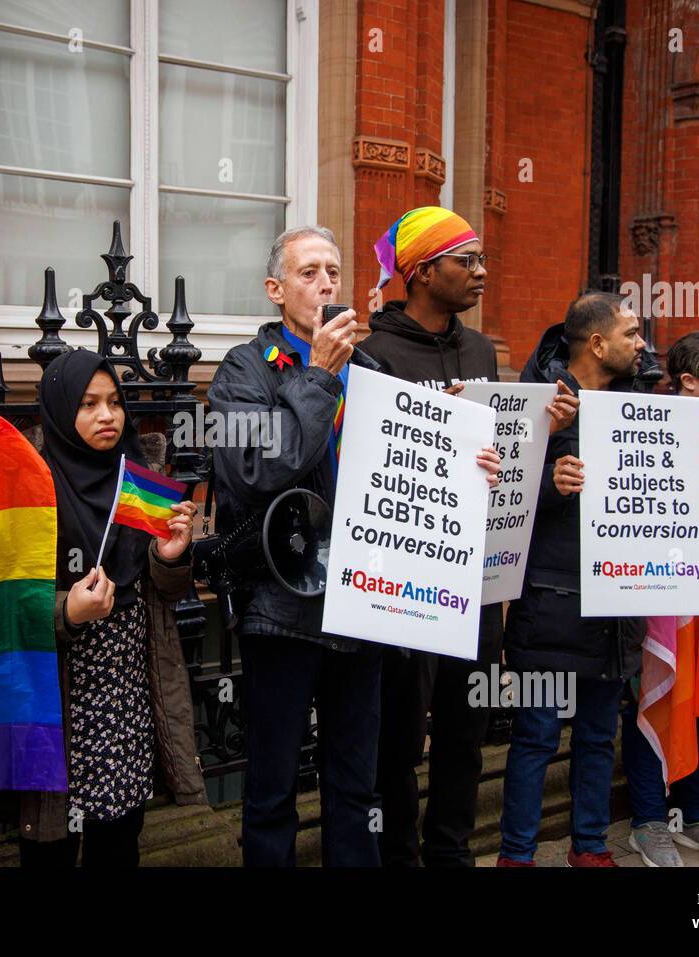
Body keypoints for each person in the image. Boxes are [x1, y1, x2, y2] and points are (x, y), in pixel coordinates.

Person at [208, 225, 498, 867]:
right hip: (281, 610)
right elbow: (257, 471)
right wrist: (316, 378)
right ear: (275, 290)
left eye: (334, 272)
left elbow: (408, 477)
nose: (327, 284)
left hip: (363, 608)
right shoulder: (243, 370)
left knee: (354, 785)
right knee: (273, 790)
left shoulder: (368, 369)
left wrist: (462, 457)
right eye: (308, 273)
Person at [360, 206, 573, 867]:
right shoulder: (375, 353)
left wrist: (549, 422)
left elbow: (503, 447)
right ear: (422, 272)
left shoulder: (481, 349)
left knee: (465, 724)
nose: (482, 272)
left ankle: (450, 851)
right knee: (400, 734)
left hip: (479, 574)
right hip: (407, 573)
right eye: (467, 261)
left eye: (482, 259)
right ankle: (400, 853)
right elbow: (370, 460)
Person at [15, 349, 206, 867]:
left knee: (119, 837)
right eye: (89, 404)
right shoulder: (28, 482)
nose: (108, 416)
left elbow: (167, 592)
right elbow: (2, 605)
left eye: (115, 402)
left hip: (126, 689)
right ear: (58, 410)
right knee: (49, 841)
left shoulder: (138, 473)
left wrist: (170, 557)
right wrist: (67, 611)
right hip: (59, 690)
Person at [496, 292, 658, 867]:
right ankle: (516, 854)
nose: (643, 345)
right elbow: (494, 491)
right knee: (536, 737)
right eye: (633, 333)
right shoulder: (535, 403)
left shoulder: (642, 408)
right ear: (597, 343)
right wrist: (548, 480)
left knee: (596, 737)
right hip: (552, 600)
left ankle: (589, 848)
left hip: (616, 602)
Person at [620, 330, 699, 867]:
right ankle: (649, 821)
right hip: (658, 593)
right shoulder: (643, 429)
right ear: (689, 382)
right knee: (656, 693)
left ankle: (697, 818)